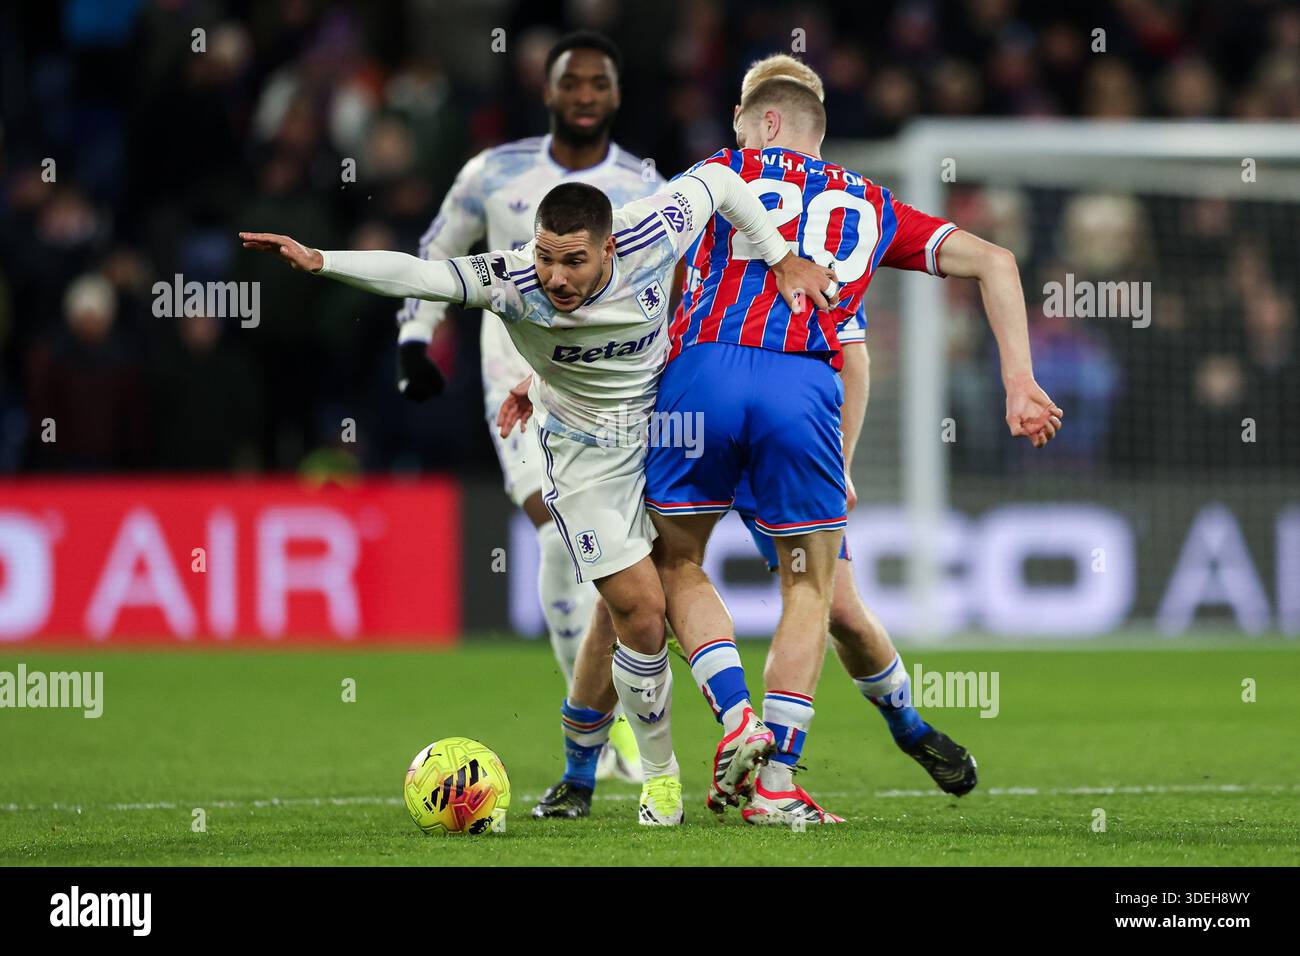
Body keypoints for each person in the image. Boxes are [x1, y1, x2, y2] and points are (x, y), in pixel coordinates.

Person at [239, 157, 835, 827]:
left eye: (573, 261)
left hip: (666, 431)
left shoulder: (651, 231)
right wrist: (321, 260)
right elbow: (420, 274)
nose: (556, 277)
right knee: (641, 611)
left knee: (648, 594)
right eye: (547, 257)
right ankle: (662, 778)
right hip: (584, 462)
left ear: (609, 248)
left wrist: (782, 257)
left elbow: (722, 183)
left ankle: (668, 745)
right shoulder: (514, 279)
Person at [641, 74, 1062, 825]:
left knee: (679, 564)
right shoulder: (870, 204)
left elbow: (628, 254)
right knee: (811, 588)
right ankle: (776, 782)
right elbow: (996, 260)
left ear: (767, 121)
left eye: (741, 120)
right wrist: (1020, 383)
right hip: (801, 392)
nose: (736, 132)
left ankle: (749, 718)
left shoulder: (716, 173)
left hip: (700, 379)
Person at [394, 31, 665, 784]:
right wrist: (416, 338)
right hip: (515, 376)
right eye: (571, 82)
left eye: (598, 83)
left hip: (615, 387)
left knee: (619, 554)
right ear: (547, 91)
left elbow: (675, 279)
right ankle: (601, 734)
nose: (584, 96)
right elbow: (438, 251)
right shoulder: (495, 171)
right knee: (555, 533)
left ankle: (608, 716)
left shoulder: (643, 183)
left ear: (616, 94)